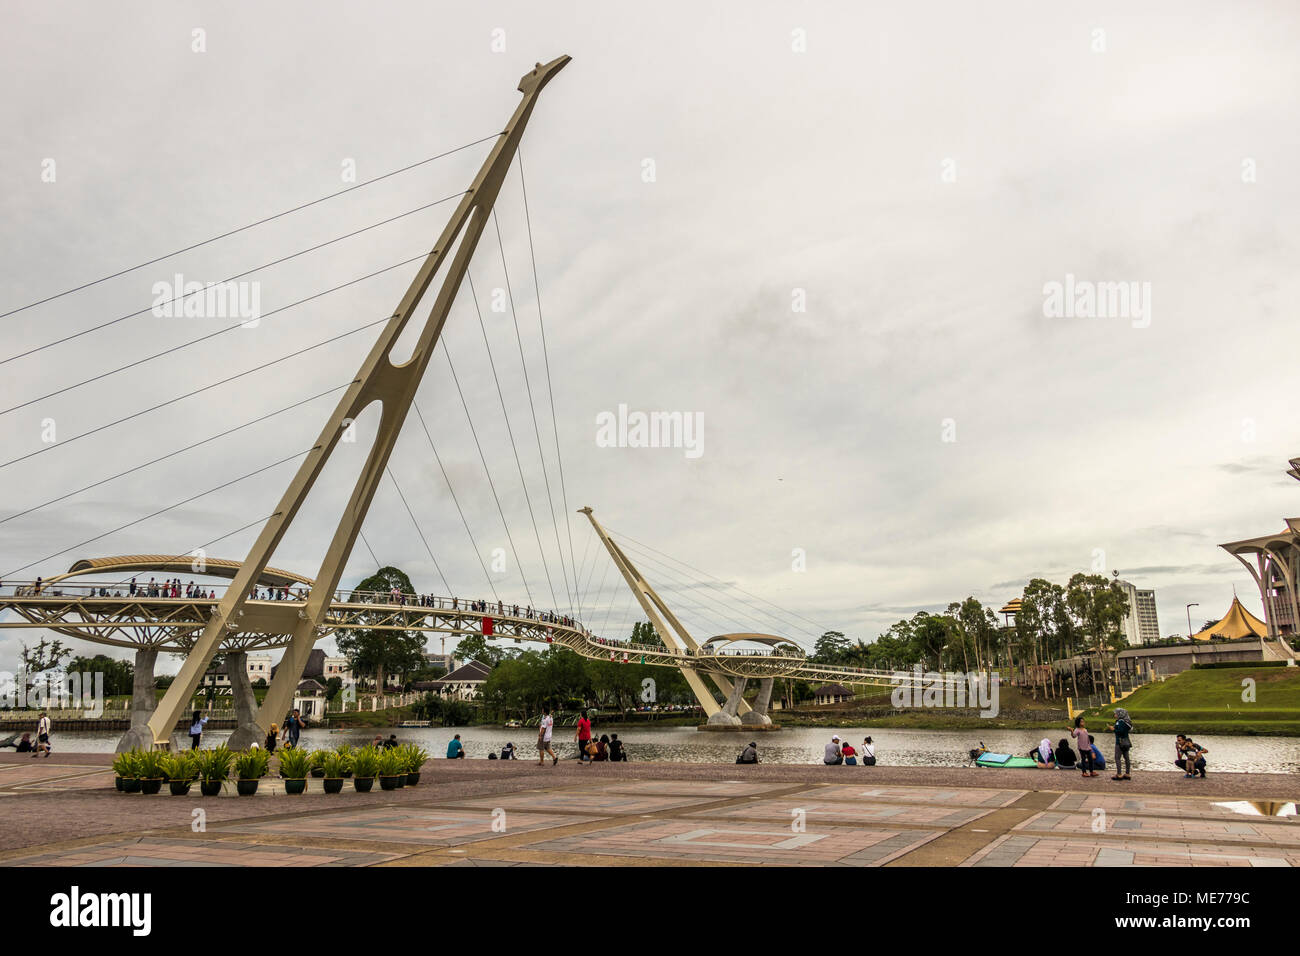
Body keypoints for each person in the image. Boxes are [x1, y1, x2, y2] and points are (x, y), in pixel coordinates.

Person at [1106, 708, 1133, 780]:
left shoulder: (1120, 722)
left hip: (1119, 742)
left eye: (1116, 713)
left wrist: (1113, 729)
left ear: (1120, 714)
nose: (1115, 715)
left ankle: (1119, 774)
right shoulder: (1127, 722)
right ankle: (1127, 773)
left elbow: (1119, 731)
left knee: (1117, 758)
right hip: (1126, 742)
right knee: (1126, 758)